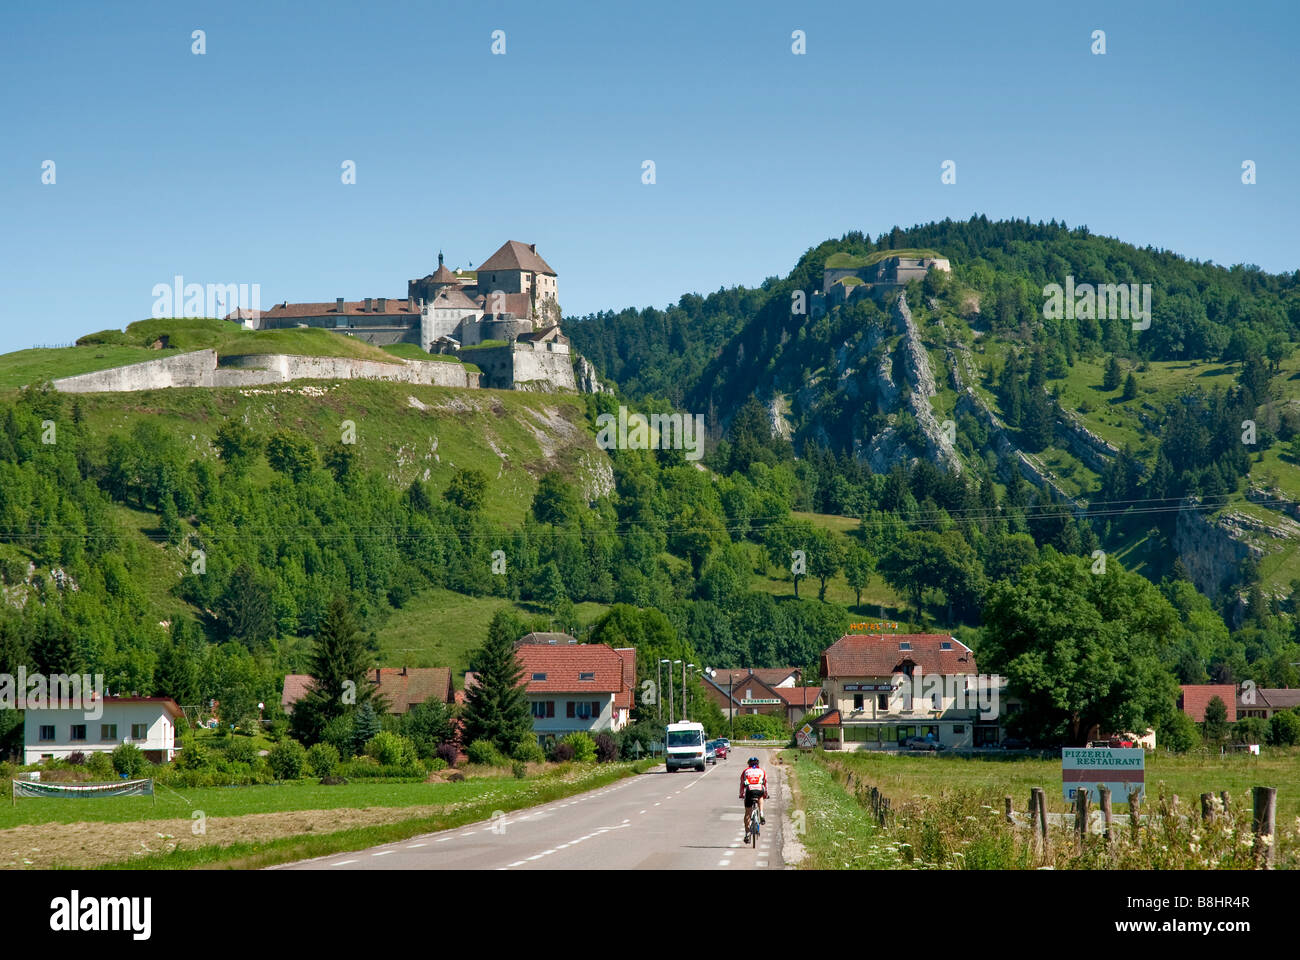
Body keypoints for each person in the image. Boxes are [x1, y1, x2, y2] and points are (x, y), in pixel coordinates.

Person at [739, 756, 768, 835]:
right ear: (757, 764)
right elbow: (765, 783)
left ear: (749, 764)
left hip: (749, 790)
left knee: (747, 813)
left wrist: (741, 794)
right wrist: (766, 794)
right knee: (761, 796)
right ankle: (761, 813)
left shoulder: (745, 771)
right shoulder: (762, 771)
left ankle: (747, 833)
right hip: (759, 789)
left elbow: (742, 784)